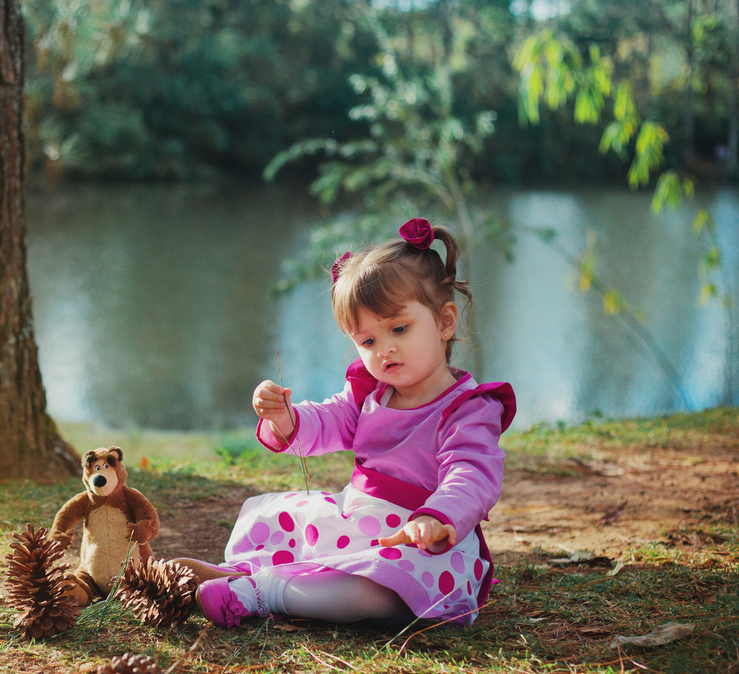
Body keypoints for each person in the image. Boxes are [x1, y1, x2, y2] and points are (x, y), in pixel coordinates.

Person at [183, 218, 515, 629]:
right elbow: (325, 423)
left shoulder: (468, 409)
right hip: (356, 523)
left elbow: (472, 473)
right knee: (291, 525)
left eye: (399, 328)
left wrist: (437, 517)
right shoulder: (370, 393)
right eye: (368, 341)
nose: (385, 349)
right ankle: (241, 576)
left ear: (445, 322)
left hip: (419, 542)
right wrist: (285, 418)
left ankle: (263, 593)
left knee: (379, 590)